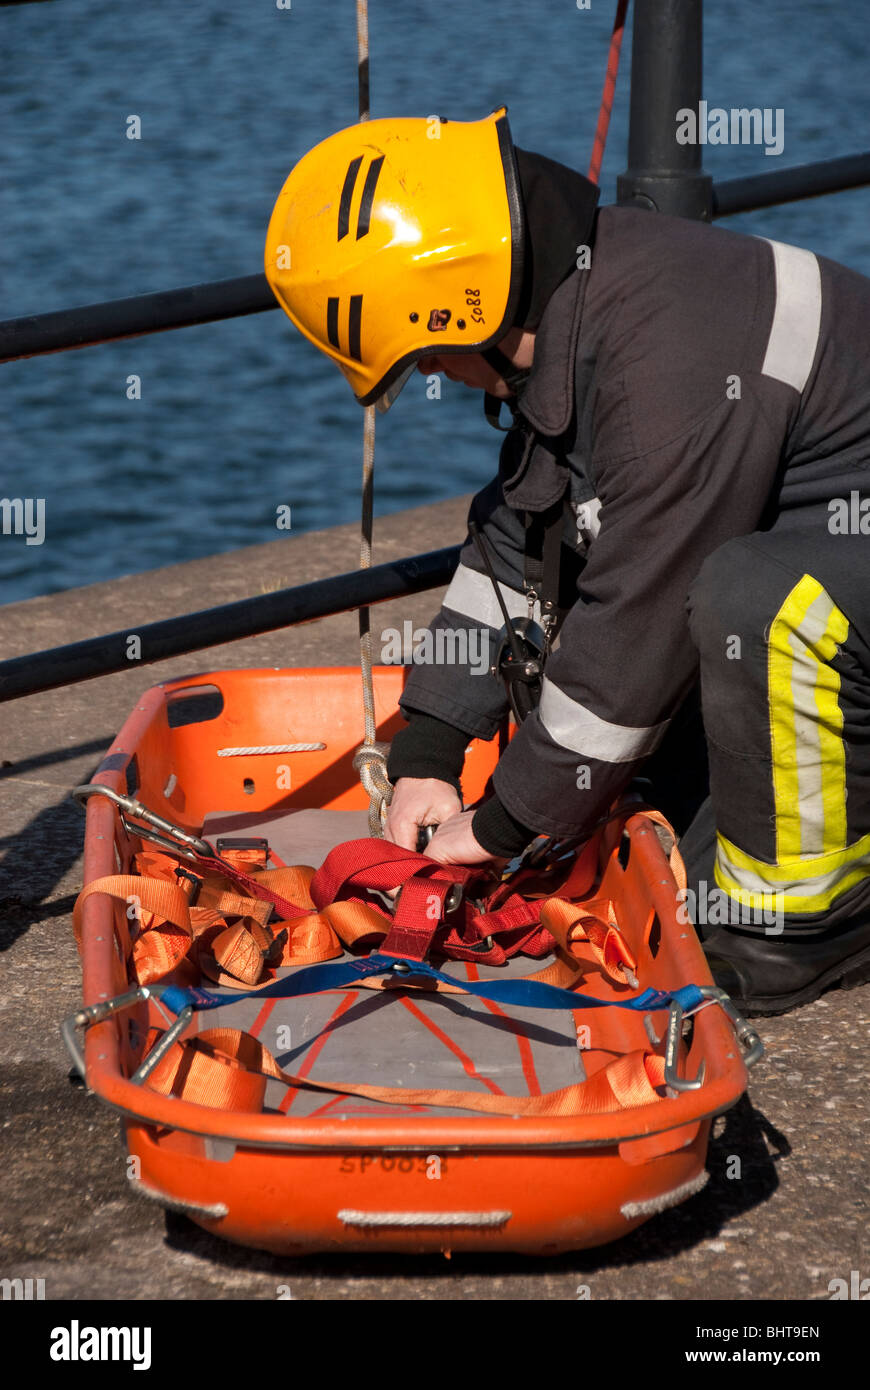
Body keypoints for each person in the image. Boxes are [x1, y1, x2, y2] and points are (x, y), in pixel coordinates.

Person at [265, 108, 870, 1016]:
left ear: (459, 309)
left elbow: (639, 620)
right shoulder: (587, 301)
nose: (433, 377)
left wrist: (506, 824)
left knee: (758, 604)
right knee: (657, 864)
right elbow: (517, 539)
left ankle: (806, 927)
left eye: (425, 355)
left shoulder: (663, 371)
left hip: (828, 569)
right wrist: (429, 748)